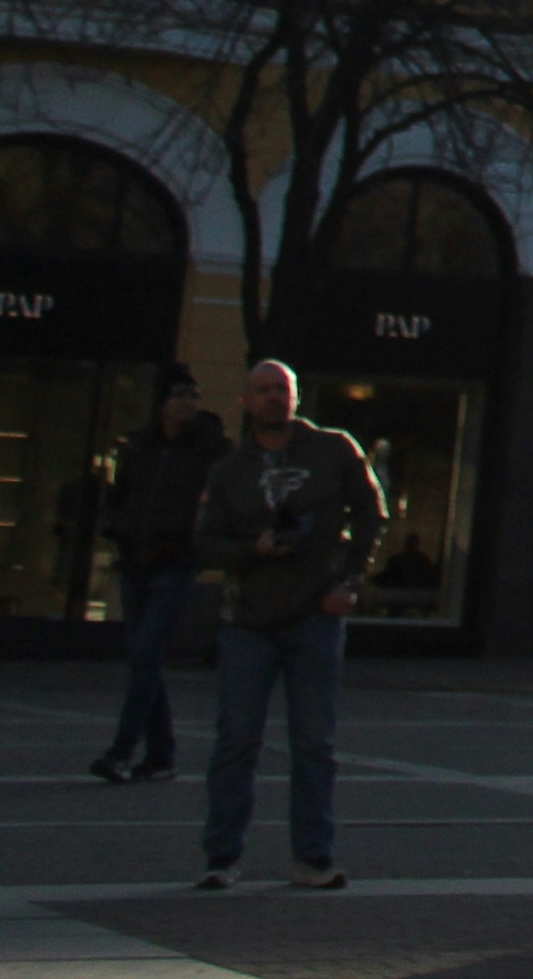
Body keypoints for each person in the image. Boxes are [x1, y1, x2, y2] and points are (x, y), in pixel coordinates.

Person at [190, 355, 378, 892]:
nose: (275, 397)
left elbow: (371, 513)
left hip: (315, 615)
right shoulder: (232, 469)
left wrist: (350, 582)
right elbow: (205, 542)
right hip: (248, 620)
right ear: (246, 401)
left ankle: (313, 857)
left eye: (283, 389)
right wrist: (254, 548)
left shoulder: (333, 450)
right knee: (236, 741)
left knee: (315, 743)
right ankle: (220, 856)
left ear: (296, 397)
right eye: (264, 390)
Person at [94, 369, 220, 785]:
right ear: (162, 400)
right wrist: (115, 527)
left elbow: (217, 504)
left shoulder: (210, 449)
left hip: (175, 561)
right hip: (136, 559)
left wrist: (196, 542)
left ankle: (123, 750)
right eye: (179, 394)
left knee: (146, 653)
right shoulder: (139, 446)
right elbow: (119, 493)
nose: (187, 402)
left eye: (193, 394)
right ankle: (161, 753)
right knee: (144, 657)